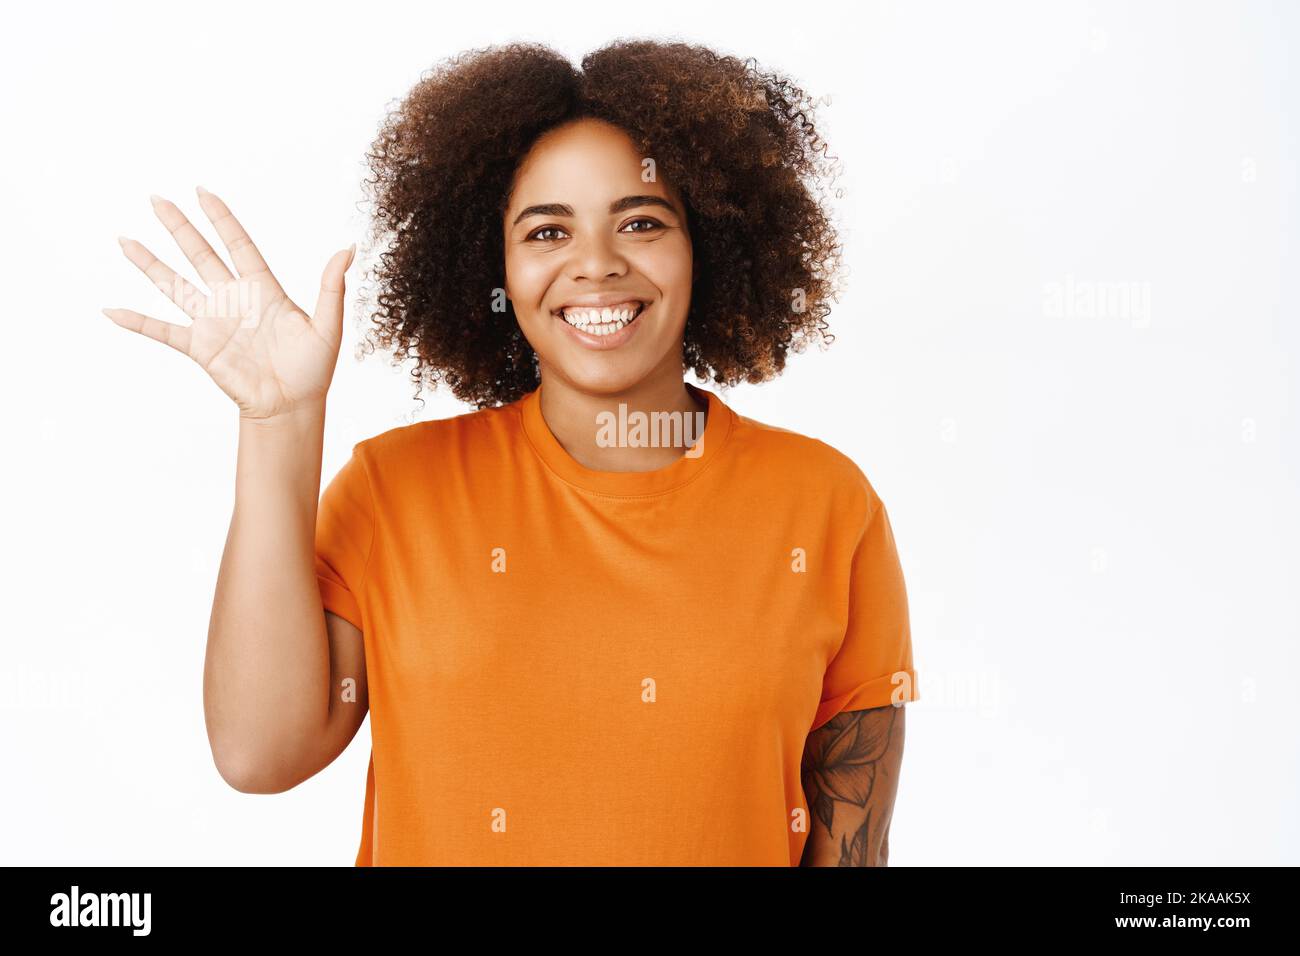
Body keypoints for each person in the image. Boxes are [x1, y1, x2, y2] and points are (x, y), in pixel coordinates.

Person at [104, 39, 918, 867]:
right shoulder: (398, 491)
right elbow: (259, 753)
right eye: (546, 231)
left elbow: (851, 844)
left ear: (707, 242)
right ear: (491, 263)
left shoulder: (825, 505)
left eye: (640, 221)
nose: (595, 265)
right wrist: (279, 423)